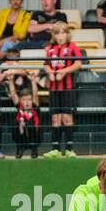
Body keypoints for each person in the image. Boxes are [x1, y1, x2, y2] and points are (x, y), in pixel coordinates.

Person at [42, 22, 82, 158]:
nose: (60, 36)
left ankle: (69, 149)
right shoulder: (49, 49)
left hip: (67, 89)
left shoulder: (73, 47)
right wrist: (50, 72)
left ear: (67, 34)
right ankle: (56, 149)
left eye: (63, 33)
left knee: (67, 117)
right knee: (55, 118)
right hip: (54, 89)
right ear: (53, 35)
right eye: (57, 33)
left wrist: (64, 71)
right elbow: (46, 65)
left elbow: (78, 63)